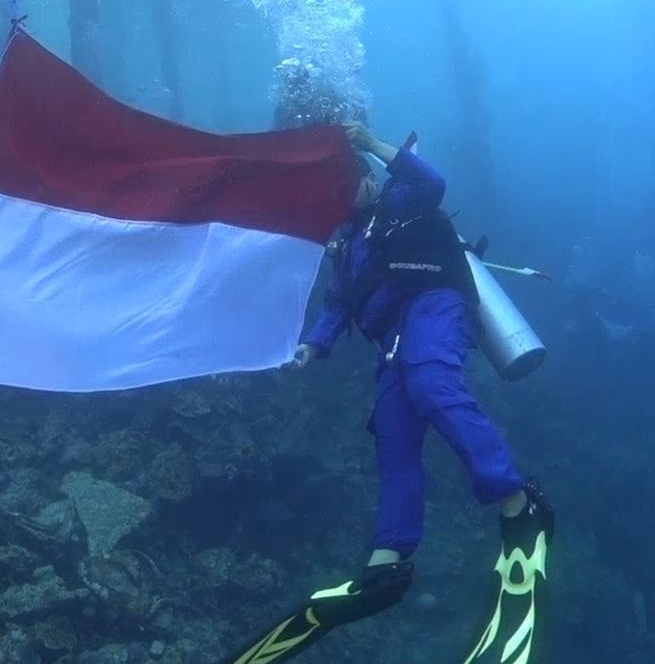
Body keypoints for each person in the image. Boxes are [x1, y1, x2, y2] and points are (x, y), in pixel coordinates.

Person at [224, 123, 553, 664]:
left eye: (345, 183)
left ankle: (519, 504)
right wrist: (312, 347)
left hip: (434, 306)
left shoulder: (400, 197)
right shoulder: (349, 244)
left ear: (366, 180)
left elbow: (433, 181)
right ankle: (389, 556)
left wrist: (374, 143)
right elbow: (336, 305)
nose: (340, 195)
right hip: (392, 340)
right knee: (394, 439)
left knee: (433, 382)